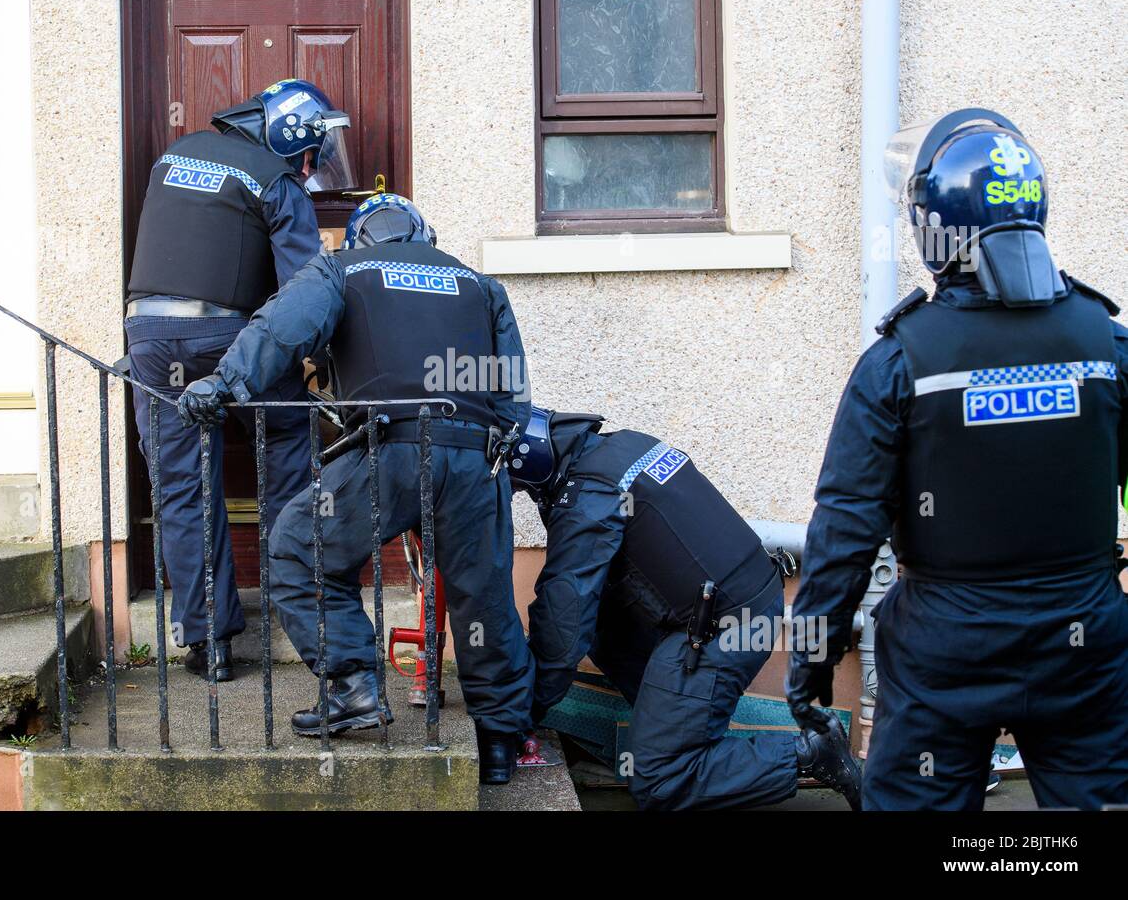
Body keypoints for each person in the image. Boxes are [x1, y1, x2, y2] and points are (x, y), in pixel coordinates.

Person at [787, 109, 1128, 810]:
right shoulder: (1108, 346)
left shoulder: (899, 361)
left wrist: (812, 661)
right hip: (1087, 642)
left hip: (947, 647)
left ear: (932, 228)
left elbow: (845, 531)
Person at [177, 194, 536, 784]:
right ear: (422, 234)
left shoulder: (341, 269)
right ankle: (500, 742)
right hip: (475, 456)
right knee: (485, 599)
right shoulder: (480, 285)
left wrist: (223, 384)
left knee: (298, 548)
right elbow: (513, 394)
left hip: (391, 449)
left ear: (363, 237)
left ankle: (354, 689)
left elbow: (281, 331)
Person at [510, 408, 862, 810]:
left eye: (514, 483)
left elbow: (561, 625)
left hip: (722, 625)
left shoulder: (591, 494)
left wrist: (520, 716)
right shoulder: (621, 446)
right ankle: (678, 732)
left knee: (658, 781)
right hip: (738, 604)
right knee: (600, 625)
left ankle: (812, 752)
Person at [126, 79, 355, 681]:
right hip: (229, 340)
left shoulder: (171, 157)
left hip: (148, 339)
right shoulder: (276, 181)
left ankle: (209, 644)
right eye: (312, 156)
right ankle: (292, 598)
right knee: (286, 438)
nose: (310, 170)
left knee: (180, 484)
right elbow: (305, 293)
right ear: (288, 137)